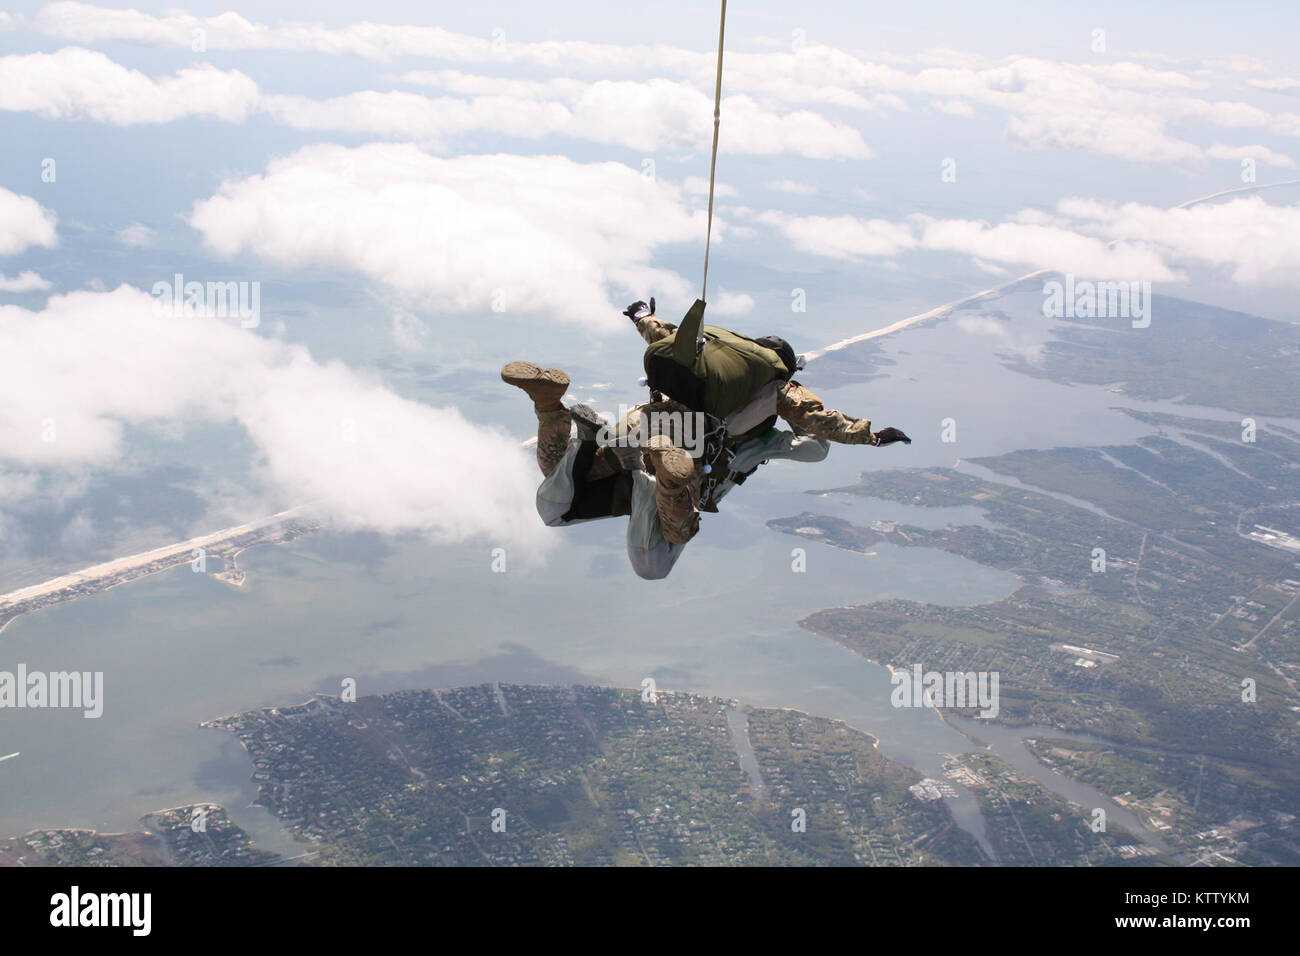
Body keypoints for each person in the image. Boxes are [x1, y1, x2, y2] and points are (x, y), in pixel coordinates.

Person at [501, 361, 828, 579]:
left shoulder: (702, 377)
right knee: (655, 563)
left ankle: (552, 409)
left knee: (554, 506)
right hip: (678, 466)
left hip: (634, 433)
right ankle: (665, 482)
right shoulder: (759, 431)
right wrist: (789, 400)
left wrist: (642, 316)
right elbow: (817, 447)